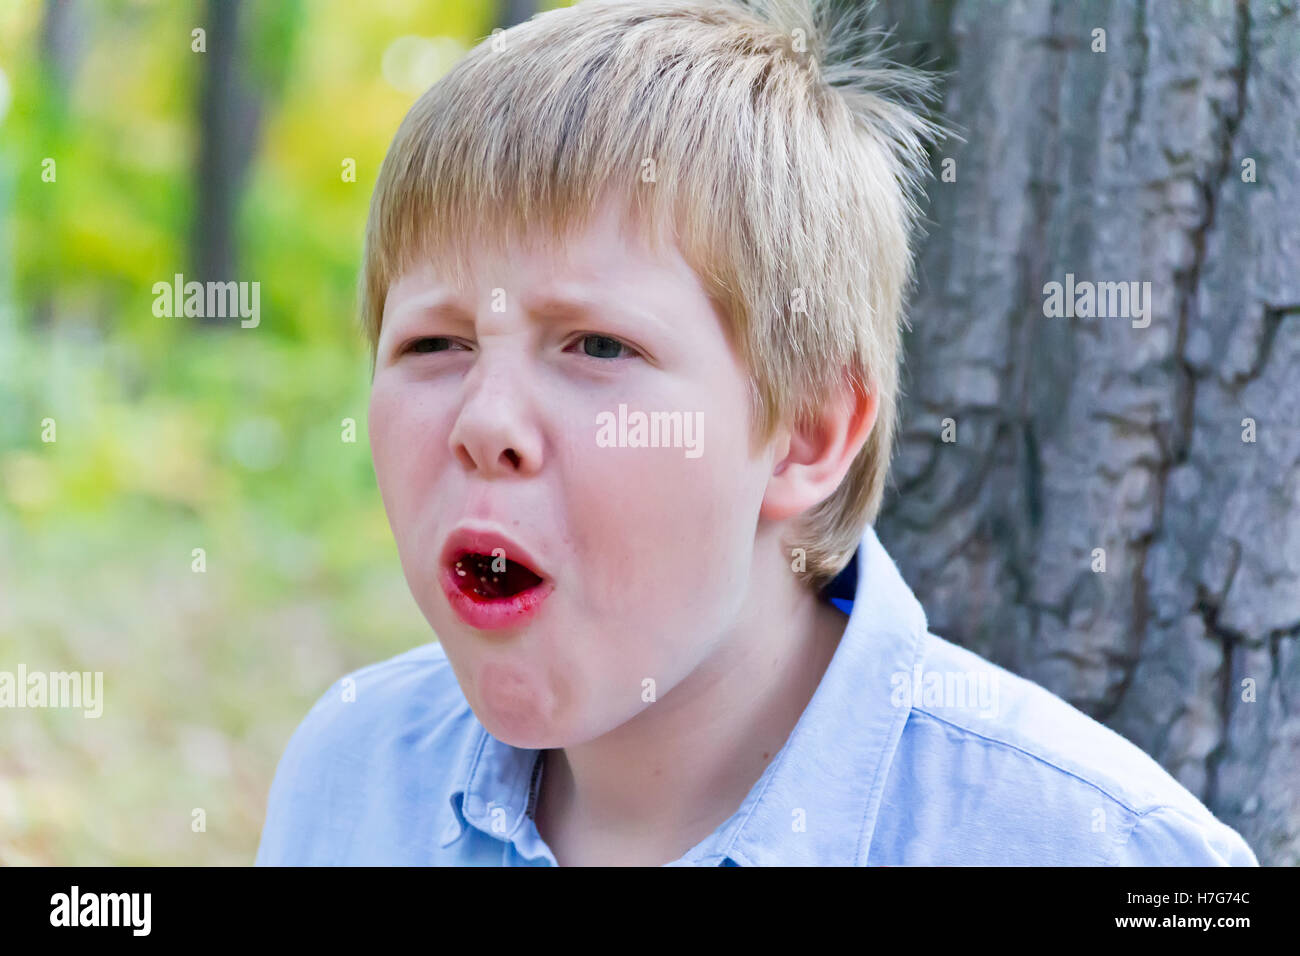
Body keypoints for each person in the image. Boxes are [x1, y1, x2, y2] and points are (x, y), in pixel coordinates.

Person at [255, 0, 1258, 866]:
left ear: (808, 432)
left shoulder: (1091, 846)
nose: (485, 421)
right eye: (435, 342)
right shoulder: (349, 778)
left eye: (596, 345)